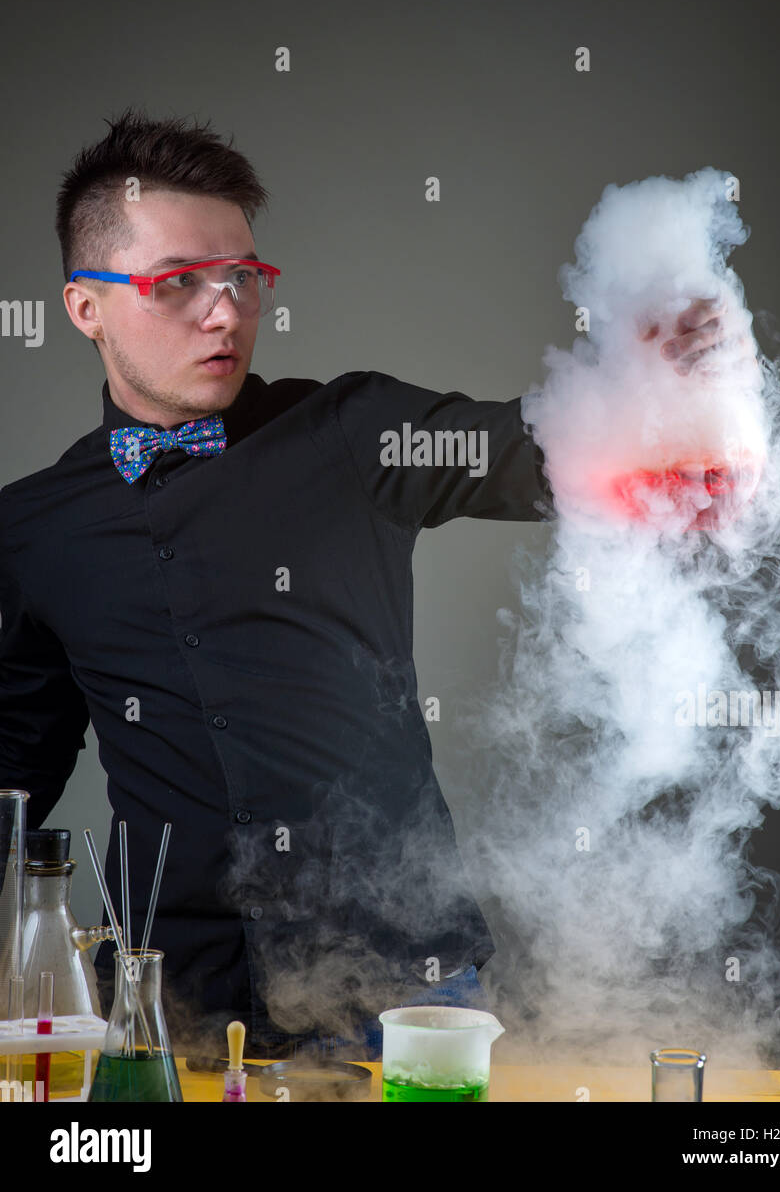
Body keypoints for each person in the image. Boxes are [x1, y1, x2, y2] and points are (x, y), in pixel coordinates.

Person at [0, 109, 738, 1058]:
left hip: (401, 1001)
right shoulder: (34, 529)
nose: (224, 311)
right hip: (163, 1010)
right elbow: (17, 777)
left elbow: (529, 448)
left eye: (243, 279)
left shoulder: (351, 434)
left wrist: (652, 389)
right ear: (85, 306)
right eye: (179, 284)